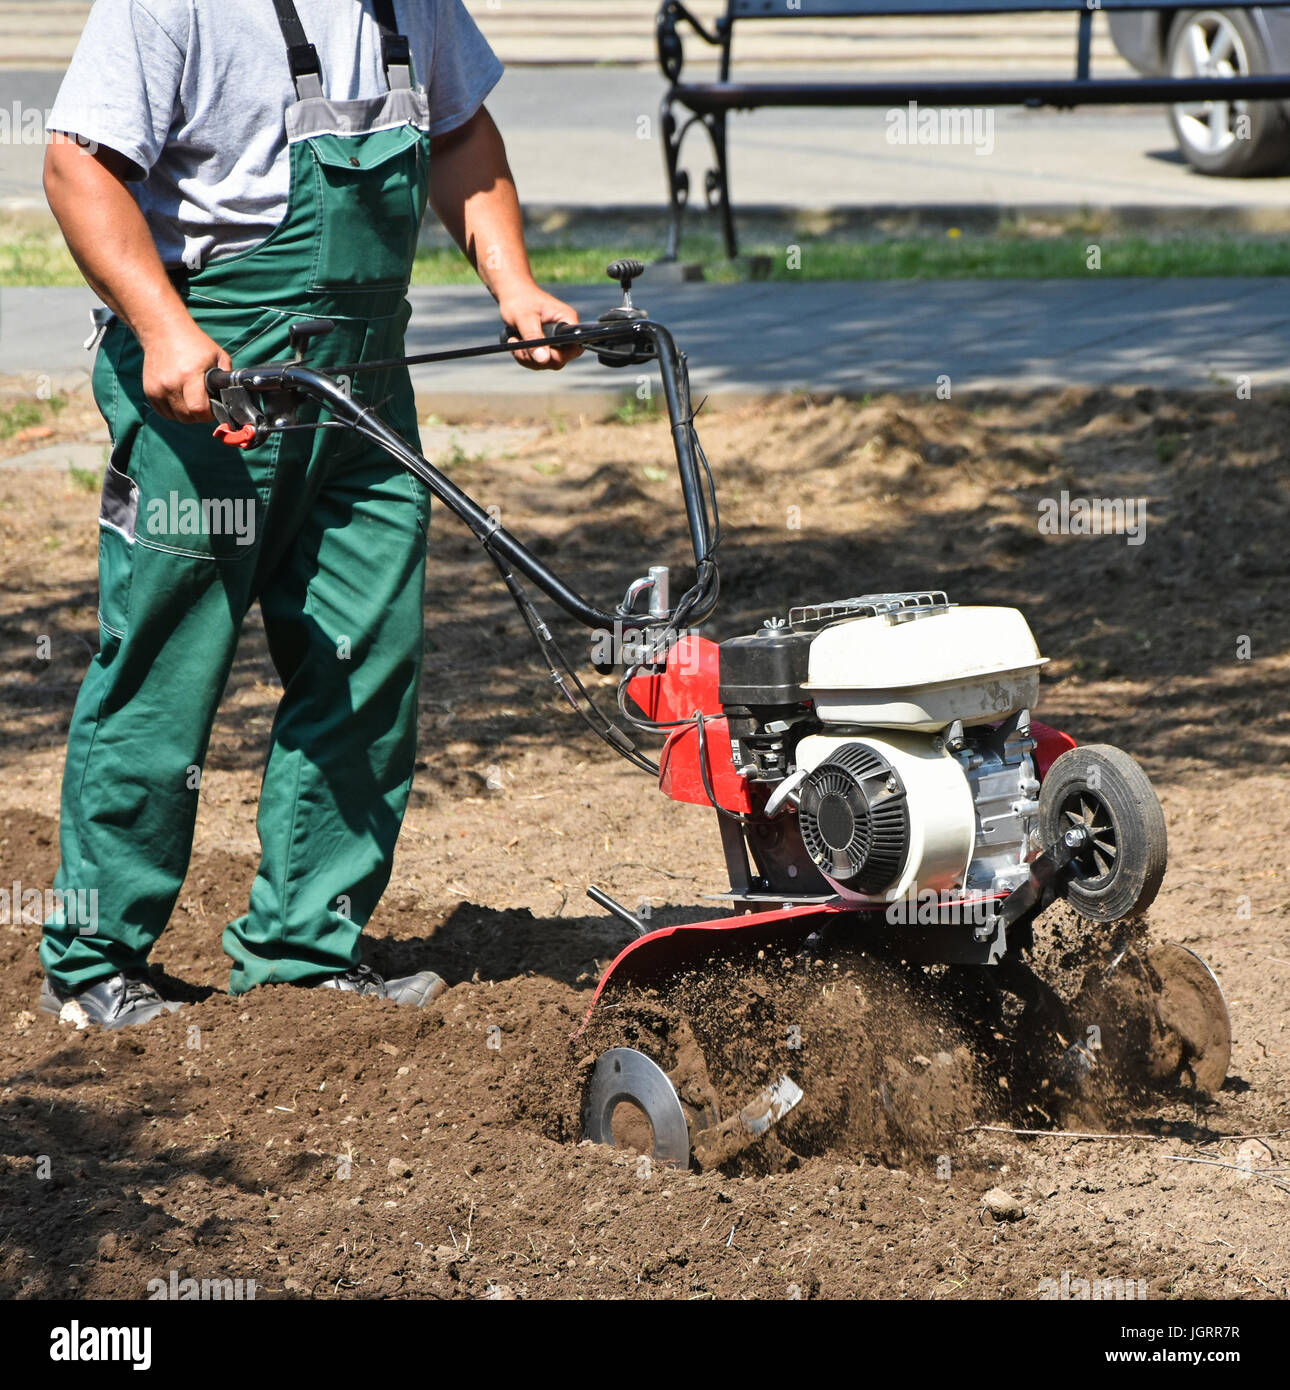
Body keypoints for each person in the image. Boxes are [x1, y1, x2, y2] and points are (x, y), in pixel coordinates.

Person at [38, 0, 579, 1028]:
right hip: (209, 378)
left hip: (362, 385)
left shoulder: (415, 4)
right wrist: (162, 328)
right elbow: (75, 165)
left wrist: (514, 287)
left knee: (363, 655)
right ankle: (95, 961)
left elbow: (460, 132)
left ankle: (302, 946)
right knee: (164, 668)